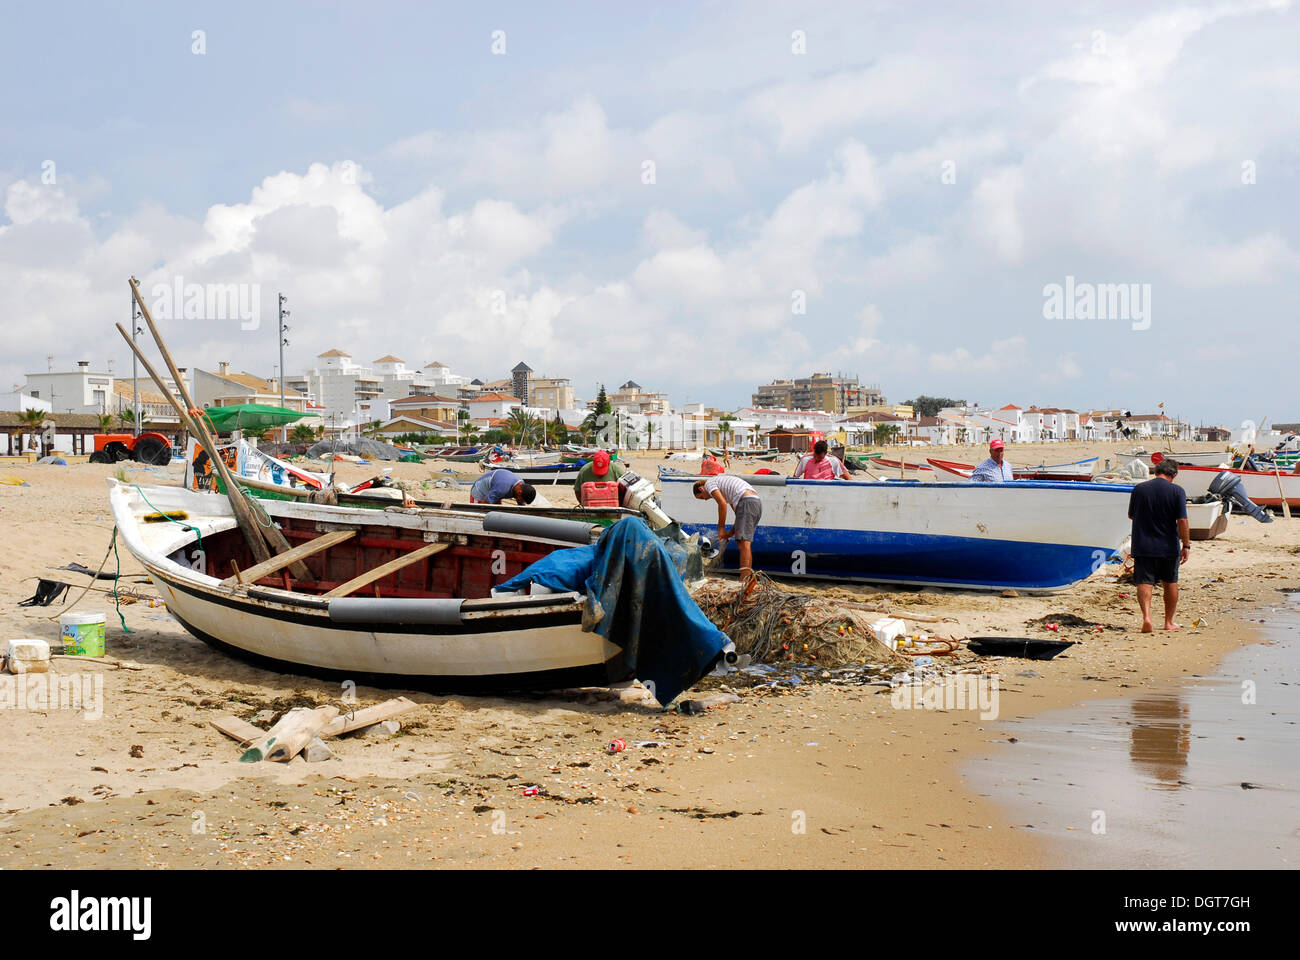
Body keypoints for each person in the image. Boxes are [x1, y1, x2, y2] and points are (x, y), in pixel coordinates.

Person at [1128, 457, 1190, 632]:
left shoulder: (1139, 489)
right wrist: (1186, 545)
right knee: (1170, 582)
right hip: (1168, 544)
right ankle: (1168, 622)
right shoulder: (1177, 491)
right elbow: (1182, 520)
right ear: (1174, 474)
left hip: (1143, 543)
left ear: (1155, 472)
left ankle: (1147, 618)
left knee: (1145, 582)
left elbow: (1132, 515)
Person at [693, 475, 762, 578]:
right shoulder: (725, 490)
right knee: (742, 542)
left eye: (702, 497)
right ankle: (745, 579)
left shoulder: (709, 484)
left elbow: (722, 504)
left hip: (747, 501)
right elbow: (737, 512)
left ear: (701, 488)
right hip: (754, 503)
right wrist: (731, 532)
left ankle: (744, 580)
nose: (706, 499)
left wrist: (721, 528)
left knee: (744, 544)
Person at [470, 468, 536, 505]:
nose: (520, 501)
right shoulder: (502, 488)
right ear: (519, 492)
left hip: (494, 491)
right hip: (479, 492)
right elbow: (484, 505)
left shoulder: (521, 485)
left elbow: (521, 506)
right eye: (520, 500)